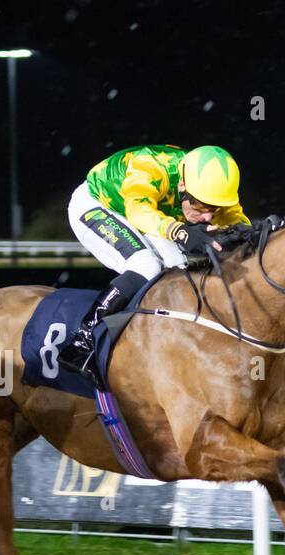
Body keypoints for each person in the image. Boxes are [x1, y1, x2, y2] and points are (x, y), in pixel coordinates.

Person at [57, 144, 250, 382]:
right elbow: (137, 211)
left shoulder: (210, 188)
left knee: (178, 267)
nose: (208, 216)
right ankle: (83, 339)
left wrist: (252, 235)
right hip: (98, 205)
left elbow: (237, 222)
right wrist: (182, 233)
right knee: (146, 265)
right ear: (182, 186)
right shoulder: (150, 165)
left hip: (149, 212)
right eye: (200, 206)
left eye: (214, 208)